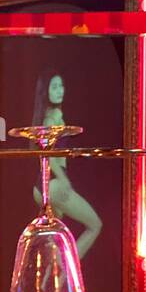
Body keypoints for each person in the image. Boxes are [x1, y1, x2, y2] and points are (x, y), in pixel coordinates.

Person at [31, 71, 103, 258]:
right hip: (53, 182)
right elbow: (47, 155)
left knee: (57, 240)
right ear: (45, 91)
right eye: (54, 87)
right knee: (95, 225)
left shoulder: (50, 115)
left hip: (42, 186)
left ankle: (51, 277)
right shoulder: (52, 116)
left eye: (61, 86)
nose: (59, 91)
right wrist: (64, 180)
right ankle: (66, 274)